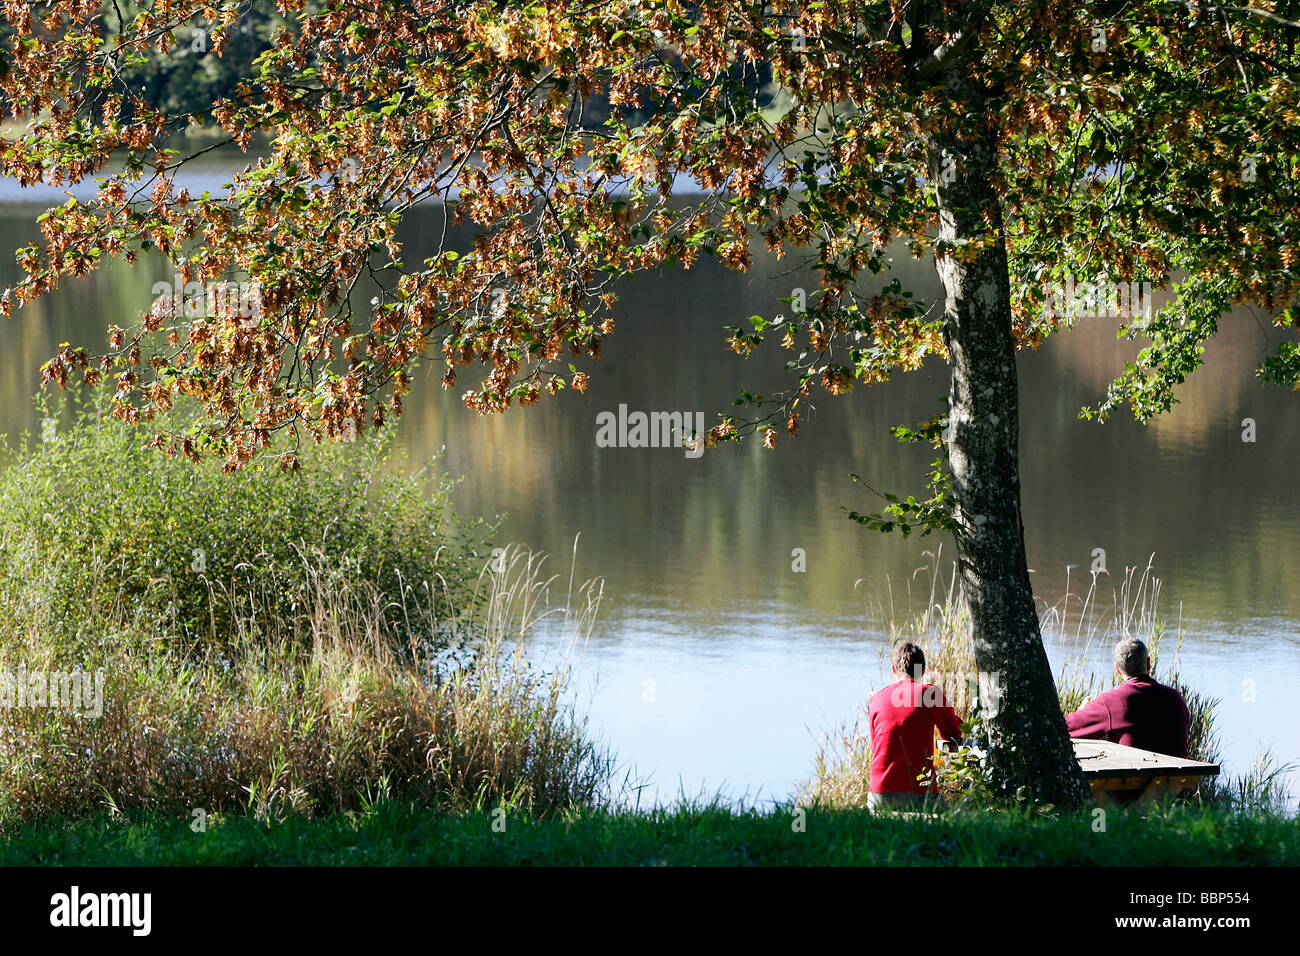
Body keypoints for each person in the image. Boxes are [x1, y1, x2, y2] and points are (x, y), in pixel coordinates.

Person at [867, 641, 962, 810]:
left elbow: (876, 747)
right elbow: (955, 734)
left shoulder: (877, 698)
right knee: (950, 829)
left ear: (894, 670)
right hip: (920, 793)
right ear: (922, 671)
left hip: (879, 794)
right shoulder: (931, 694)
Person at [1065, 637, 1190, 758]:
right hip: (1179, 778)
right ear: (1148, 663)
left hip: (1136, 777)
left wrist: (1080, 711)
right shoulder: (1175, 697)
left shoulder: (1113, 701)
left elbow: (1065, 728)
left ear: (1118, 669)